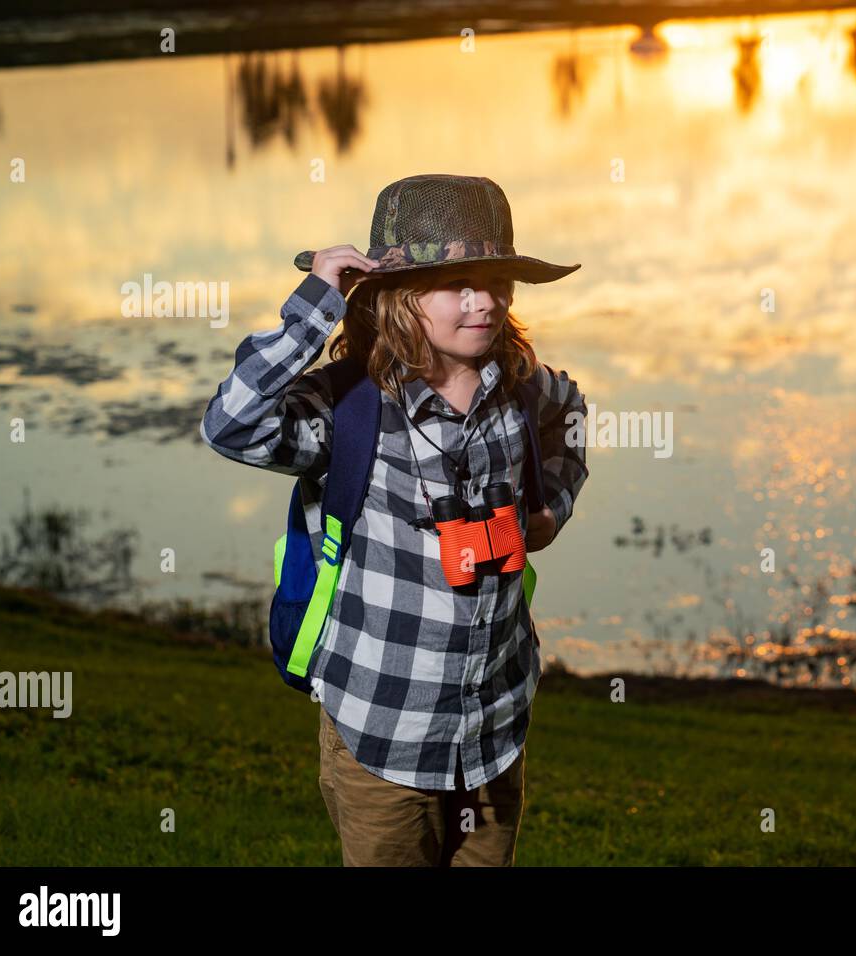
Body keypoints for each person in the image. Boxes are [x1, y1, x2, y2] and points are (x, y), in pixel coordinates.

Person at [200, 174, 589, 865]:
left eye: (498, 280)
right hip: (383, 729)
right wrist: (317, 304)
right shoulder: (350, 405)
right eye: (457, 284)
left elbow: (574, 415)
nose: (486, 301)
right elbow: (231, 425)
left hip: (494, 731)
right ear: (399, 296)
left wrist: (548, 508)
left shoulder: (524, 387)